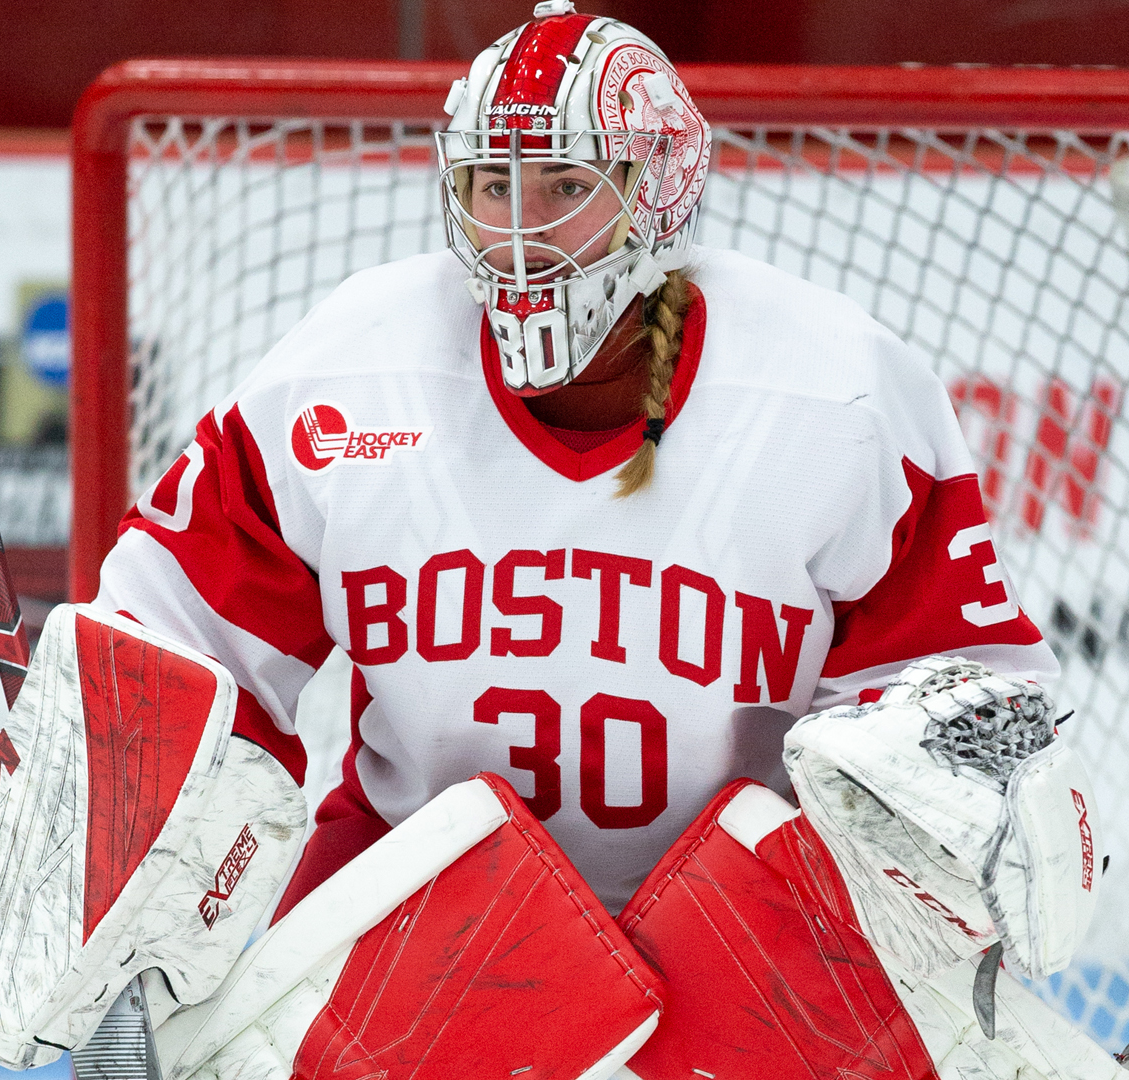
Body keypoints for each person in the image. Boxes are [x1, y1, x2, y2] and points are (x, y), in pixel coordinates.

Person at [94, 1, 1056, 923]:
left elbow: (965, 705)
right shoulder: (348, 370)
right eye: (493, 185)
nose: (520, 233)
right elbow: (169, 641)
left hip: (743, 919)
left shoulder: (834, 393)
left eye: (565, 185)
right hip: (410, 898)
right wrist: (119, 844)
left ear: (655, 190)